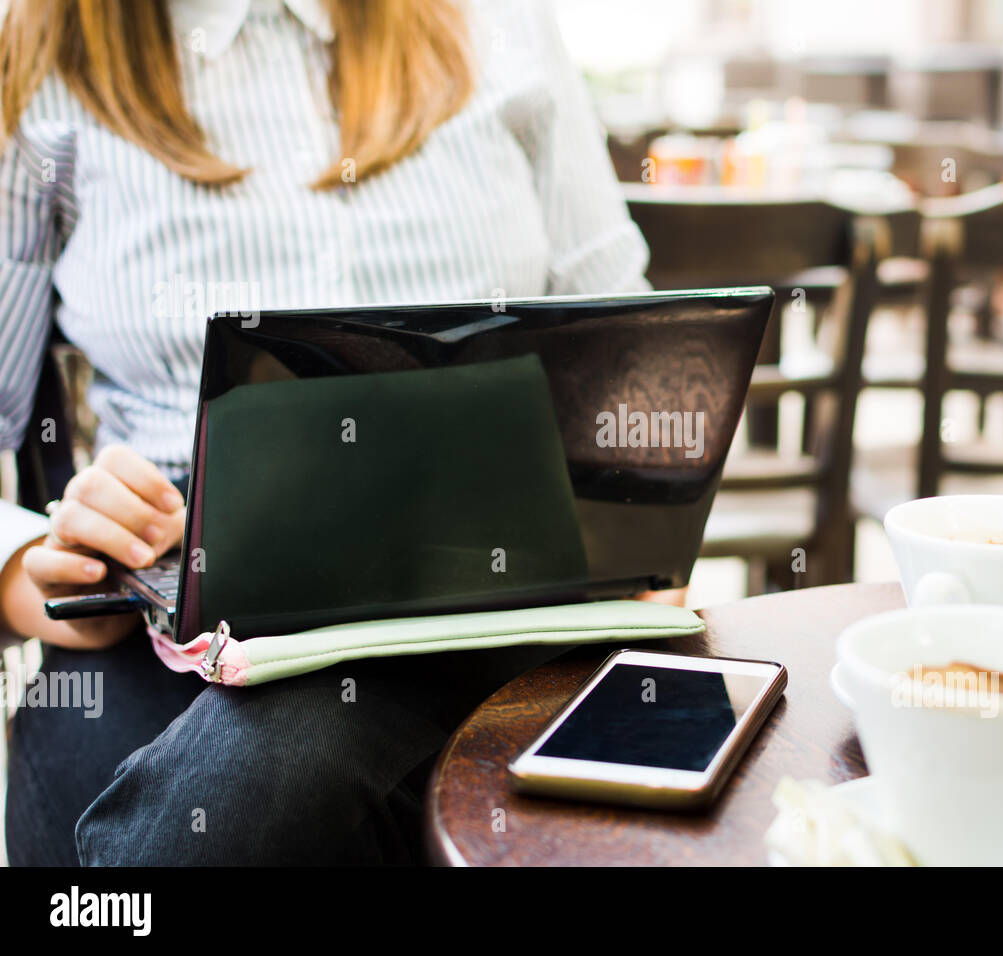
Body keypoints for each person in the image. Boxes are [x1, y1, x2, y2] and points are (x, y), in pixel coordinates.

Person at [0, 0, 648, 864]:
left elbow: (628, 350)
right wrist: (20, 568)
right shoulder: (42, 57)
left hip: (495, 565)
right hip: (178, 574)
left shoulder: (502, 21)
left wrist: (636, 513)